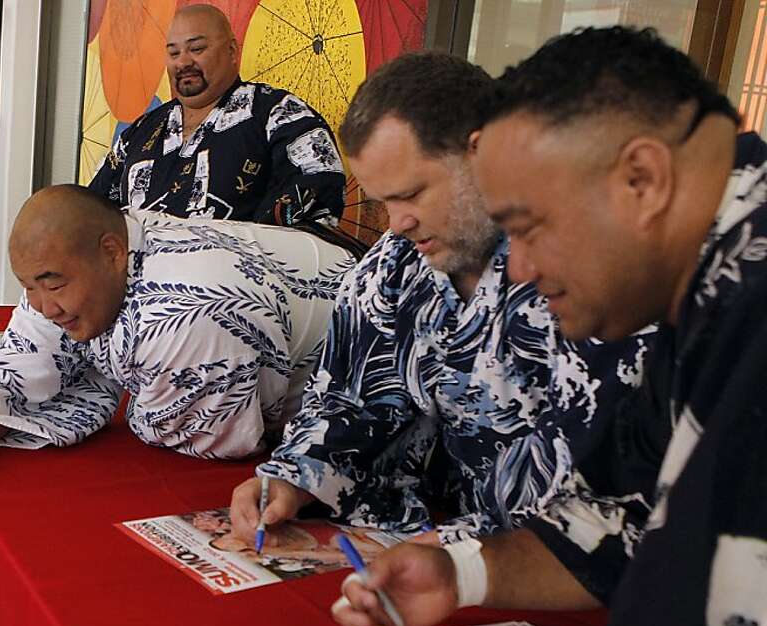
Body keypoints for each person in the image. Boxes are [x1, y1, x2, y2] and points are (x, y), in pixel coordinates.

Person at [333, 27, 767, 626]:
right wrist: (462, 572)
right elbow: (617, 512)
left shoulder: (753, 300)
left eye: (530, 229)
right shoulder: (709, 271)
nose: (523, 270)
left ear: (642, 179)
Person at [227, 52, 652, 549]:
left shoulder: (603, 272)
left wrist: (466, 562)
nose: (397, 223)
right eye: (384, 201)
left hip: (579, 568)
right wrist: (294, 479)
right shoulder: (396, 264)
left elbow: (606, 501)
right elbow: (350, 400)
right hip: (451, 547)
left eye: (411, 194)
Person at [0, 184, 357, 507]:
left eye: (51, 284)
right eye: (29, 286)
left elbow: (216, 441)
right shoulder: (88, 260)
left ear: (113, 252)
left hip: (367, 396)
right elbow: (10, 373)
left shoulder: (183, 311)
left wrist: (103, 377)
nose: (43, 306)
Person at [89, 4, 345, 228]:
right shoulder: (141, 132)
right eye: (174, 53)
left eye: (197, 49)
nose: (183, 62)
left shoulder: (280, 114)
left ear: (232, 51)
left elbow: (319, 190)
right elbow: (92, 212)